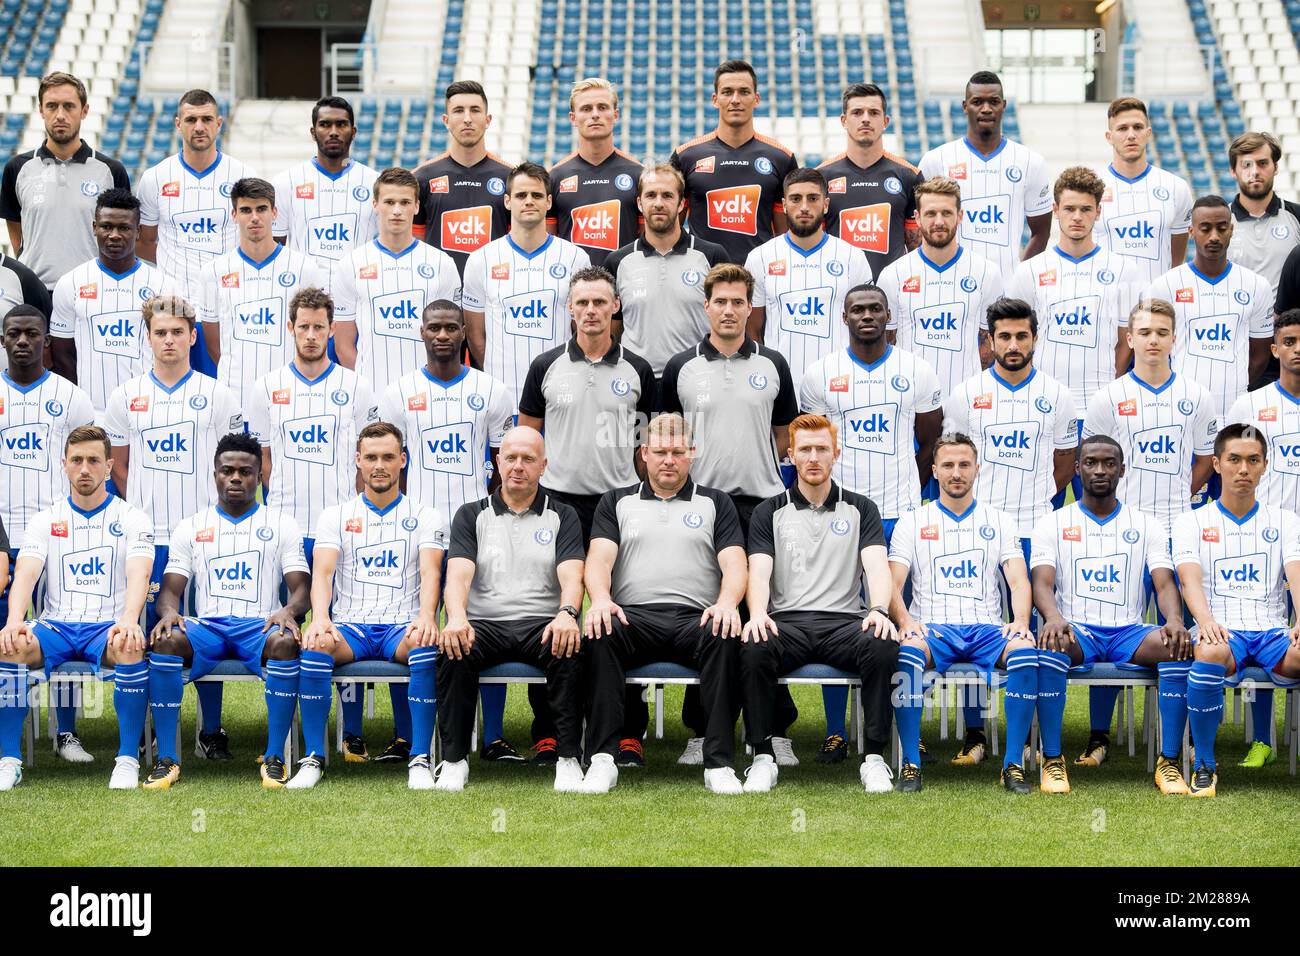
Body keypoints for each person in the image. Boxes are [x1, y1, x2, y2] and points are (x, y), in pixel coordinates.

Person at [660, 262, 806, 763]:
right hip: (700, 505)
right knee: (712, 613)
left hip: (761, 503)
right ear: (706, 306)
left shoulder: (774, 364)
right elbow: (667, 439)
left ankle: (773, 731)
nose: (728, 310)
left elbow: (787, 437)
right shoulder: (681, 366)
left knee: (762, 614)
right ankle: (703, 730)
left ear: (750, 307)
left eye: (738, 301)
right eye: (719, 301)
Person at [376, 299, 518, 763]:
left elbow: (503, 462)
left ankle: (492, 736)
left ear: (463, 333)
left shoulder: (492, 390)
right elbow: (386, 460)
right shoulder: (398, 393)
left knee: (481, 620)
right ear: (421, 332)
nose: (441, 335)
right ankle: (405, 736)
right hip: (414, 527)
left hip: (475, 526)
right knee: (410, 623)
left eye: (450, 328)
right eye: (433, 327)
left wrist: (492, 512)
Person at [102, 294, 243, 757]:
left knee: (205, 628)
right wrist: (140, 514)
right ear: (148, 337)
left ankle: (211, 730)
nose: (169, 340)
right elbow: (118, 466)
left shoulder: (217, 394)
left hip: (205, 537)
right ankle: (150, 732)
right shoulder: (126, 396)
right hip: (147, 540)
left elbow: (232, 465)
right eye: (160, 332)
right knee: (145, 636)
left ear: (192, 336)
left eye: (177, 332)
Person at [1081, 299, 1218, 764]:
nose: (1154, 340)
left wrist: (1181, 501)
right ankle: (1100, 735)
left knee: (1182, 633)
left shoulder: (1197, 396)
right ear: (1131, 338)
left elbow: (1203, 460)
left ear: (1173, 338)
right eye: (1145, 332)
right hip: (1121, 530)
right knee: (1111, 625)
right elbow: (1096, 460)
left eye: (1162, 331)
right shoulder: (1109, 398)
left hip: (1178, 529)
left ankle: (1183, 737)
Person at [582, 412, 746, 794]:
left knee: (725, 632)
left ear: (692, 453)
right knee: (600, 630)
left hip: (697, 617)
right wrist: (602, 600)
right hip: (633, 617)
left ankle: (718, 762)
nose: (668, 459)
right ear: (644, 454)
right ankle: (604, 759)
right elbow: (599, 560)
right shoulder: (616, 502)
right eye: (659, 452)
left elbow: (735, 563)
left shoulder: (716, 502)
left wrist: (725, 604)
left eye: (676, 451)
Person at [739, 413, 901, 793]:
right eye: (805, 450)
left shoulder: (862, 508)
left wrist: (878, 610)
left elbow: (877, 568)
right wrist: (759, 614)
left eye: (822, 449)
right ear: (791, 455)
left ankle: (874, 758)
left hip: (844, 623)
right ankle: (763, 756)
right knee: (752, 646)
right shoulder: (768, 511)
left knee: (882, 644)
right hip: (787, 623)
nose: (814, 457)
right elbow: (758, 572)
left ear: (836, 454)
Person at [1029, 435, 1193, 795]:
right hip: (1079, 629)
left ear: (1122, 469)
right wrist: (1054, 617)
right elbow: (1042, 583)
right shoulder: (1052, 523)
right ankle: (1053, 760)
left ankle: (1169, 761)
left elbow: (1164, 584)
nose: (1100, 470)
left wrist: (1175, 621)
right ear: (1077, 469)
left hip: (1130, 632)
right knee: (1053, 646)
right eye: (1091, 463)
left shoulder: (1147, 524)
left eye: (1108, 463)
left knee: (1178, 645)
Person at [145, 432, 310, 790]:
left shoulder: (281, 524)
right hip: (209, 627)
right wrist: (171, 612)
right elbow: (170, 590)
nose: (236, 478)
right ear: (215, 474)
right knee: (166, 641)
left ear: (259, 475)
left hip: (259, 624)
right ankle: (168, 759)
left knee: (284, 642)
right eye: (227, 470)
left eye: (245, 472)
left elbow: (301, 589)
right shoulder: (191, 526)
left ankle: (274, 757)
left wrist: (288, 611)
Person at [435, 426, 586, 793]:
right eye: (511, 458)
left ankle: (568, 758)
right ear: (497, 463)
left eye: (528, 459)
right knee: (454, 649)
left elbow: (572, 575)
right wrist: (456, 617)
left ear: (543, 465)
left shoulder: (563, 515)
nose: (519, 466)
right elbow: (458, 576)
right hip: (485, 622)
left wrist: (567, 613)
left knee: (571, 649)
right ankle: (454, 761)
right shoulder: (471, 514)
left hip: (542, 623)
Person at [0, 425, 152, 791]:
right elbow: (25, 573)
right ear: (64, 465)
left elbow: (140, 572)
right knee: (12, 644)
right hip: (57, 625)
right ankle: (9, 760)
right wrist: (13, 621)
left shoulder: (131, 517)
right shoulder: (45, 520)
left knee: (130, 644)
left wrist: (129, 619)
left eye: (94, 460)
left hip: (107, 624)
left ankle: (127, 759)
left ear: (108, 465)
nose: (85, 468)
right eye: (77, 460)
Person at [297, 422, 447, 790]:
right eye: (371, 457)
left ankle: (420, 758)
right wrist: (320, 618)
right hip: (351, 628)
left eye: (388, 457)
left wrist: (427, 617)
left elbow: (431, 573)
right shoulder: (335, 515)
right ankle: (314, 757)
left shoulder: (427, 515)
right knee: (316, 643)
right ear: (358, 462)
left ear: (403, 461)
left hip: (402, 627)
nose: (379, 465)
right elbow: (323, 574)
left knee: (426, 642)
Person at [887, 433, 1037, 793]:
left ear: (977, 469)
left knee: (1025, 657)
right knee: (906, 655)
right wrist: (906, 623)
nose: (957, 473)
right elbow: (891, 583)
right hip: (934, 626)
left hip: (987, 628)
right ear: (935, 470)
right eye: (949, 465)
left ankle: (1012, 764)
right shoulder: (913, 521)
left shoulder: (999, 520)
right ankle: (911, 762)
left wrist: (1018, 623)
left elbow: (1018, 581)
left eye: (964, 465)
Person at [1172, 422, 1300, 797]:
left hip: (1273, 631)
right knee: (1209, 651)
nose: (1243, 469)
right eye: (1234, 460)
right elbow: (1188, 579)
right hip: (1223, 629)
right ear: (1216, 464)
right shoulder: (1191, 521)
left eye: (1253, 460)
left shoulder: (1286, 521)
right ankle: (1205, 765)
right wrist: (1206, 621)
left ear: (1264, 466)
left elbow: (1295, 573)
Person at [0, 302, 95, 756]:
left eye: (32, 334)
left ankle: (66, 731)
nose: (23, 341)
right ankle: (11, 736)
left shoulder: (70, 396)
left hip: (57, 534)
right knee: (12, 638)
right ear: (3, 340)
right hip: (2, 538)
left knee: (64, 626)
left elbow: (89, 464)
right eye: (14, 334)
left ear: (46, 341)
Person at [1223, 308, 1300, 767]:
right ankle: (1263, 738)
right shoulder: (1250, 407)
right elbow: (1230, 469)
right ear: (1274, 350)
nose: (1298, 349)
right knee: (1264, 626)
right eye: (1288, 341)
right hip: (1266, 537)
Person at [134, 89, 256, 375]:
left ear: (219, 123)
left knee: (229, 394)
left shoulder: (243, 175)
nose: (199, 127)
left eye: (206, 119)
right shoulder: (155, 178)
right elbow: (147, 241)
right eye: (191, 119)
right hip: (176, 312)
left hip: (231, 309)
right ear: (178, 124)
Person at [1005, 167, 1135, 429]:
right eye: (1069, 208)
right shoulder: (1029, 270)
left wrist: (1110, 392)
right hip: (1041, 405)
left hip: (1099, 408)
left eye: (1086, 209)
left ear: (1098, 211)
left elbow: (1126, 342)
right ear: (1055, 209)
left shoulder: (1124, 270)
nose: (1077, 217)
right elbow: (1014, 338)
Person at [462, 162, 590, 403]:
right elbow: (476, 336)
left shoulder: (576, 258)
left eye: (537, 195)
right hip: (503, 396)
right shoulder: (481, 259)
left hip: (560, 395)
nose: (529, 201)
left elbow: (581, 331)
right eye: (521, 195)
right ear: (508, 201)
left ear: (549, 202)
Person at [198, 178, 328, 409]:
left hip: (291, 398)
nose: (255, 217)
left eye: (261, 209)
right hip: (234, 399)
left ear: (274, 212)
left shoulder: (304, 268)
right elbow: (213, 342)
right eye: (246, 210)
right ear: (234, 215)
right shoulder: (213, 272)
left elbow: (318, 331)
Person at [50, 189, 183, 412]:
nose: (114, 234)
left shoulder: (163, 286)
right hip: (92, 411)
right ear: (94, 227)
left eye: (124, 228)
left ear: (138, 231)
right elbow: (63, 355)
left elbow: (175, 352)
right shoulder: (71, 283)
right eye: (106, 226)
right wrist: (79, 404)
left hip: (150, 408)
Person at [1142, 195, 1273, 419]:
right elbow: (1148, 348)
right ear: (1192, 232)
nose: (1214, 236)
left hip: (1234, 411)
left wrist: (1234, 388)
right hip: (1178, 409)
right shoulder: (1165, 286)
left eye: (1221, 228)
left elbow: (1260, 354)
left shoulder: (1256, 286)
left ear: (1231, 230)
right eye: (1205, 228)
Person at [744, 167, 874, 390]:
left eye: (812, 198)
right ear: (784, 204)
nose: (804, 207)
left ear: (825, 204)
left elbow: (865, 329)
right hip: (781, 385)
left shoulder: (853, 257)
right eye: (796, 199)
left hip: (839, 384)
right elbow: (753, 329)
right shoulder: (760, 258)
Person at [330, 167, 460, 389]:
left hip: (427, 393)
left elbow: (451, 340)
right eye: (389, 202)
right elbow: (343, 345)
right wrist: (366, 388)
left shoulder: (442, 264)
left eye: (405, 202)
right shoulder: (350, 265)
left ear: (417, 206)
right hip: (373, 395)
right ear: (375, 205)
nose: (397, 210)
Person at [1, 72, 130, 292]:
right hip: (34, 292)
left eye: (69, 106)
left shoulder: (110, 170)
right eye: (52, 106)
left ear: (84, 111)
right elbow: (16, 228)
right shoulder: (17, 168)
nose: (60, 115)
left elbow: (123, 232)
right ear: (41, 110)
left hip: (92, 290)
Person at [918, 71, 1051, 275]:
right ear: (965, 106)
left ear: (1004, 106)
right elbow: (919, 228)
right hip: (951, 284)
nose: (986, 109)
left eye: (994, 102)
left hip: (1007, 292)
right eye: (977, 102)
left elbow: (1041, 233)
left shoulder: (1031, 162)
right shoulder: (936, 160)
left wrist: (1020, 279)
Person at [876, 176, 1002, 389]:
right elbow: (887, 343)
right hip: (911, 400)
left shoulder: (987, 273)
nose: (939, 222)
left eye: (947, 213)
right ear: (917, 217)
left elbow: (989, 345)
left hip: (965, 402)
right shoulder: (893, 275)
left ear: (960, 216)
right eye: (931, 213)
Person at [602, 164, 728, 377]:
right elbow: (611, 332)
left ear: (681, 204)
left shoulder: (712, 256)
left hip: (698, 378)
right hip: (636, 380)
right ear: (640, 203)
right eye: (651, 195)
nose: (659, 203)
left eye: (667, 195)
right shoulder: (617, 261)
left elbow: (727, 322)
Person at [670, 59, 799, 265]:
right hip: (701, 276)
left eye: (744, 92)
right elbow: (670, 228)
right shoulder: (686, 156)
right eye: (728, 92)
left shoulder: (781, 158)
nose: (735, 100)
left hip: (759, 277)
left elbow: (788, 234)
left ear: (756, 99)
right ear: (715, 99)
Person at [270, 95, 379, 286]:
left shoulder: (375, 183)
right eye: (325, 124)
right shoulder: (285, 182)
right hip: (304, 299)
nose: (334, 132)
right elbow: (275, 247)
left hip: (359, 294)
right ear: (313, 132)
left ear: (353, 132)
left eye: (341, 124)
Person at [818, 83, 923, 276]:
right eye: (857, 112)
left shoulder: (910, 176)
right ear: (843, 120)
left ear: (885, 121)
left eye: (873, 113)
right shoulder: (821, 177)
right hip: (838, 293)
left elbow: (918, 250)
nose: (865, 119)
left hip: (891, 295)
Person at [414, 80, 513, 276]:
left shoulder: (511, 177)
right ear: (446, 120)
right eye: (458, 110)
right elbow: (415, 248)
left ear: (488, 119)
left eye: (475, 110)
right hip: (440, 298)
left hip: (493, 295)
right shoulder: (421, 178)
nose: (467, 118)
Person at [1094, 97, 1194, 287]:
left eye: (1138, 127)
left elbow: (1176, 259)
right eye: (1122, 128)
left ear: (1148, 133)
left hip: (1157, 307)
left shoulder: (1176, 187)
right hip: (1105, 307)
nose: (1131, 135)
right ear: (1109, 137)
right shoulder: (1093, 187)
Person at [547, 77, 643, 266]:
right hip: (573, 289)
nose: (595, 114)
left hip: (623, 289)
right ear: (573, 118)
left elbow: (648, 243)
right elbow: (548, 245)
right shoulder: (555, 177)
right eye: (586, 108)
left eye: (602, 107)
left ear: (615, 115)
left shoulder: (639, 175)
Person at [1226, 131, 1299, 297]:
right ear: (1233, 171)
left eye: (1263, 163)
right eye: (1246, 165)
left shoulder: (1296, 217)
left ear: (1276, 168)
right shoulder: (1221, 222)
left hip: (1290, 321)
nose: (1255, 172)